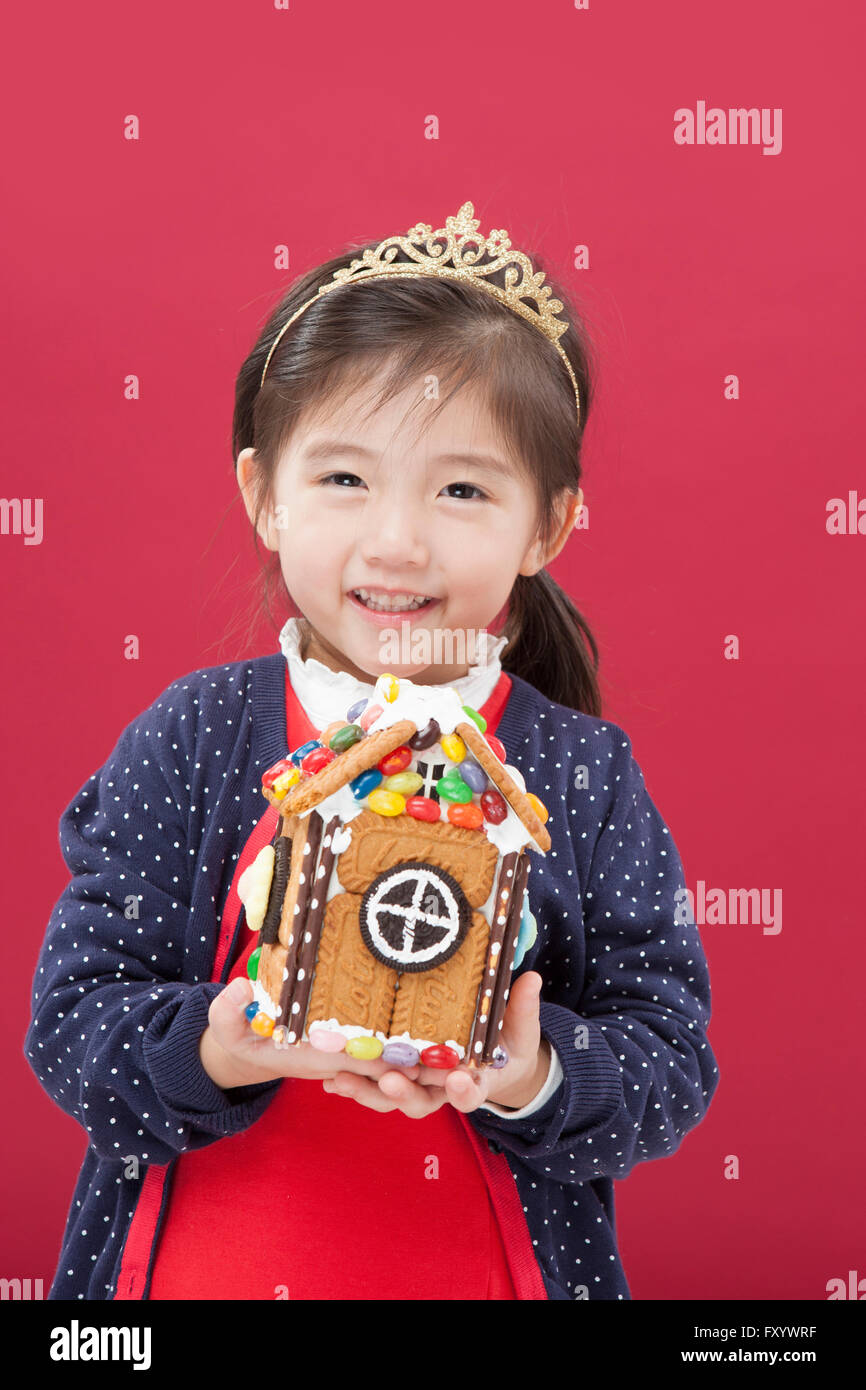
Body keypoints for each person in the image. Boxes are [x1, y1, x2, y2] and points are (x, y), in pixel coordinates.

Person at [25, 201, 719, 1300]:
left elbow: (669, 1062)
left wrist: (530, 1071)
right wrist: (227, 1040)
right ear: (265, 495)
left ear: (548, 524)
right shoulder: (195, 738)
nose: (396, 540)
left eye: (460, 489)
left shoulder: (582, 773)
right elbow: (74, 1025)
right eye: (344, 478)